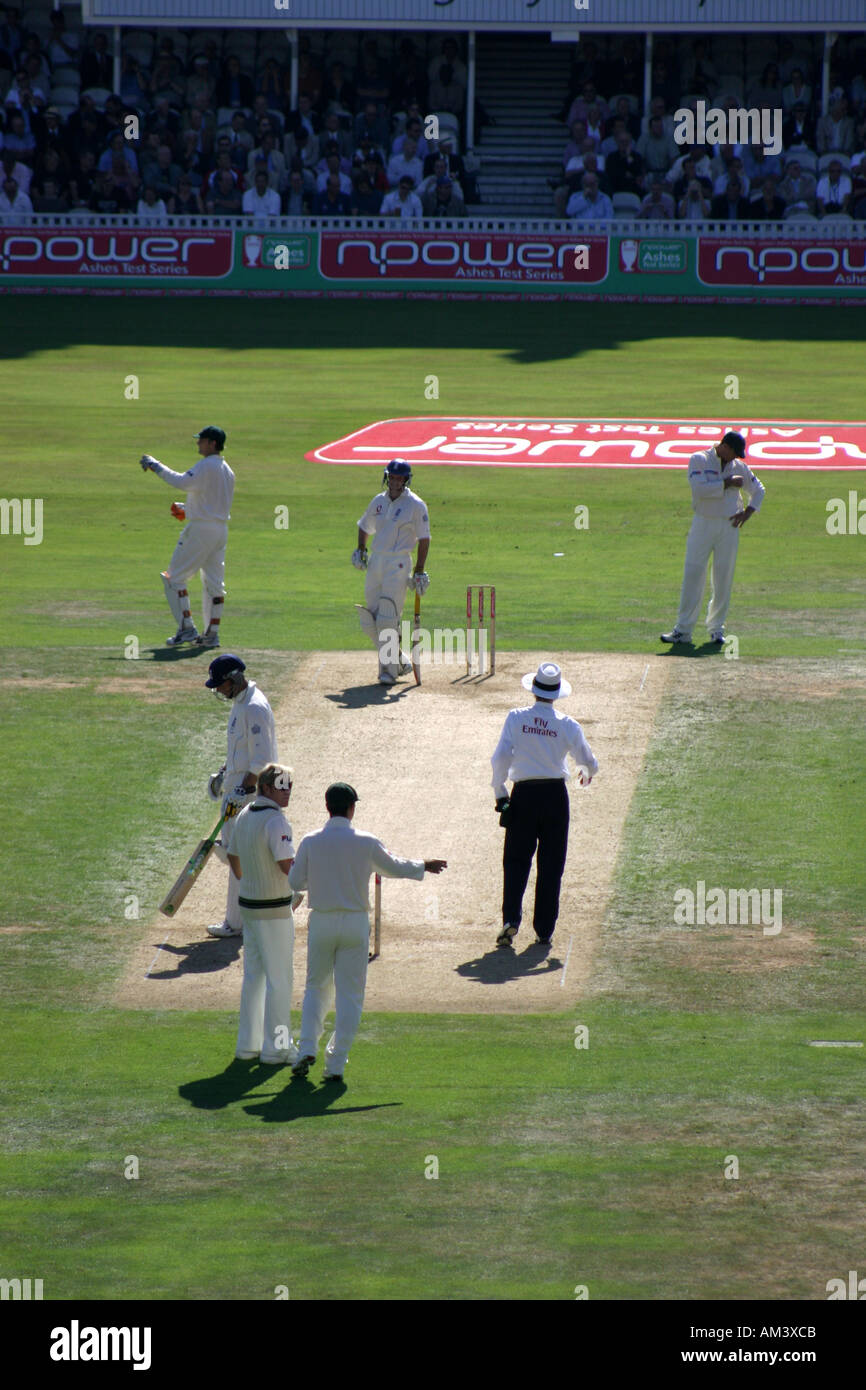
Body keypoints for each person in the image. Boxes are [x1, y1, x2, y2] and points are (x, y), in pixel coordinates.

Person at [288, 782, 447, 1083]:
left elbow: (296, 882)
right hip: (355, 924)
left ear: (327, 807)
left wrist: (319, 881)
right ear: (351, 808)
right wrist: (424, 865)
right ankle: (334, 1065)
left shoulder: (310, 841)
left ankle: (306, 1048)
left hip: (321, 921)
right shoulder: (365, 841)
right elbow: (394, 866)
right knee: (350, 995)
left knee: (315, 987)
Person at [490, 663, 597, 951]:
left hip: (523, 794)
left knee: (515, 861)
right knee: (551, 865)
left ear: (534, 689)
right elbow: (589, 762)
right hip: (554, 797)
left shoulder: (515, 718)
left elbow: (500, 758)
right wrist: (586, 774)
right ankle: (544, 930)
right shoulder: (567, 724)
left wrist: (500, 793)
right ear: (556, 694)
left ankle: (511, 919)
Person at [226, 763, 302, 1066]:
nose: (286, 792)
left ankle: (248, 1047)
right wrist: (304, 886)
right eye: (281, 786)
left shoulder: (244, 816)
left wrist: (251, 881)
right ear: (267, 788)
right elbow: (288, 867)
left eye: (289, 786)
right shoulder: (276, 822)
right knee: (280, 981)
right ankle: (278, 1049)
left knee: (254, 978)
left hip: (250, 908)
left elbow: (233, 856)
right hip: (273, 911)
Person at [660, 431, 765, 647]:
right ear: (724, 446)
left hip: (729, 526)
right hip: (703, 524)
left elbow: (759, 490)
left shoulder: (739, 467)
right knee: (693, 574)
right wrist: (726, 483)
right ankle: (683, 630)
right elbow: (699, 489)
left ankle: (716, 629)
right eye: (734, 453)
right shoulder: (699, 459)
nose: (735, 459)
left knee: (723, 577)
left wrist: (748, 512)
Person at [204, 654, 279, 939]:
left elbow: (262, 760)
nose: (218, 690)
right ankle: (286, 892)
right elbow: (241, 750)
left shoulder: (254, 708)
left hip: (248, 794)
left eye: (220, 684)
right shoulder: (240, 703)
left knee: (234, 854)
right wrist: (224, 773)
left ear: (234, 679)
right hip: (236, 789)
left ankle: (235, 923)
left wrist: (242, 791)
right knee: (240, 855)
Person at [139, 425, 234, 649]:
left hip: (201, 530)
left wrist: (155, 465)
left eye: (201, 440)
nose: (198, 443)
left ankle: (186, 629)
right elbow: (212, 501)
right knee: (214, 583)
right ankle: (211, 635)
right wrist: (188, 510)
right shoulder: (227, 470)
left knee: (173, 578)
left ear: (212, 443)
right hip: (219, 530)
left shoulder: (207, 465)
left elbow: (181, 482)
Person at [353, 459, 430, 686]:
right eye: (393, 477)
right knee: (371, 620)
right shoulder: (379, 501)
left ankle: (388, 671)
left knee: (387, 618)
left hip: (398, 564)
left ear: (406, 480)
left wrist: (419, 570)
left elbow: (424, 538)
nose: (396, 482)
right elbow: (364, 526)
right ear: (388, 478)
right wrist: (361, 549)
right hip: (376, 561)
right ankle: (399, 660)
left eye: (400, 478)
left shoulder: (415, 505)